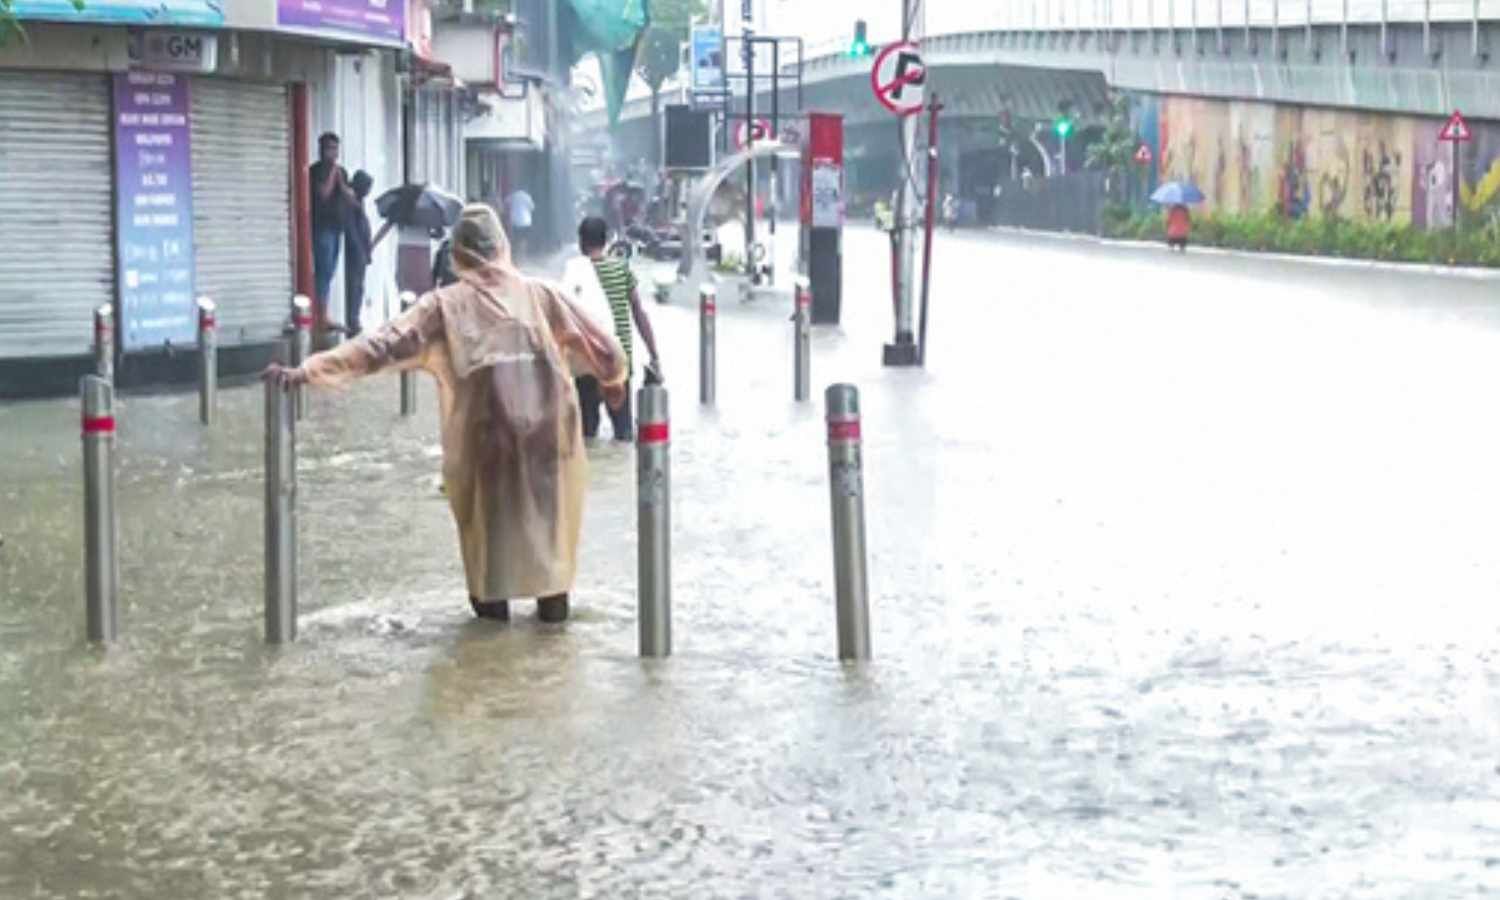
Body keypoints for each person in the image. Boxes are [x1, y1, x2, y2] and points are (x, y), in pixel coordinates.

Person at [263, 204, 628, 624]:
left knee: (489, 561)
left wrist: (309, 371)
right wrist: (613, 381)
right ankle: (545, 668)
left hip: (488, 441)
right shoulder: (541, 295)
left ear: (458, 252)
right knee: (550, 556)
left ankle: (489, 671)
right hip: (549, 440)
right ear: (502, 245)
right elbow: (606, 345)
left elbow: (380, 345)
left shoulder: (444, 306)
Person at [572, 216, 662, 443]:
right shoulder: (621, 270)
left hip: (586, 363)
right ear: (607, 240)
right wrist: (654, 354)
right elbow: (639, 314)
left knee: (586, 437)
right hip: (618, 363)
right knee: (623, 436)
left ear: (581, 243)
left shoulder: (574, 274)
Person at [309, 132, 354, 332]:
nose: (332, 153)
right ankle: (320, 315)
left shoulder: (341, 172)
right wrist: (332, 176)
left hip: (337, 227)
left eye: (335, 149)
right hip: (322, 227)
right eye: (328, 149)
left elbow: (350, 197)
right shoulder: (316, 171)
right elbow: (323, 194)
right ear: (321, 150)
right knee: (323, 271)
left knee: (331, 270)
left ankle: (323, 312)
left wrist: (341, 182)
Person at [343, 170, 375, 335]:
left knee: (358, 287)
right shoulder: (351, 203)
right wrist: (360, 251)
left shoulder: (359, 202)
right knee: (354, 287)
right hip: (355, 252)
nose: (369, 191)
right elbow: (351, 230)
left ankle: (354, 318)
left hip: (361, 252)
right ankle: (352, 320)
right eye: (368, 187)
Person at [506, 187, 535, 259]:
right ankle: (523, 255)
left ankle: (517, 255)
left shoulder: (513, 196)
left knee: (516, 239)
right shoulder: (527, 196)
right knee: (524, 239)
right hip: (526, 222)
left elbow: (506, 203)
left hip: (515, 221)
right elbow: (532, 208)